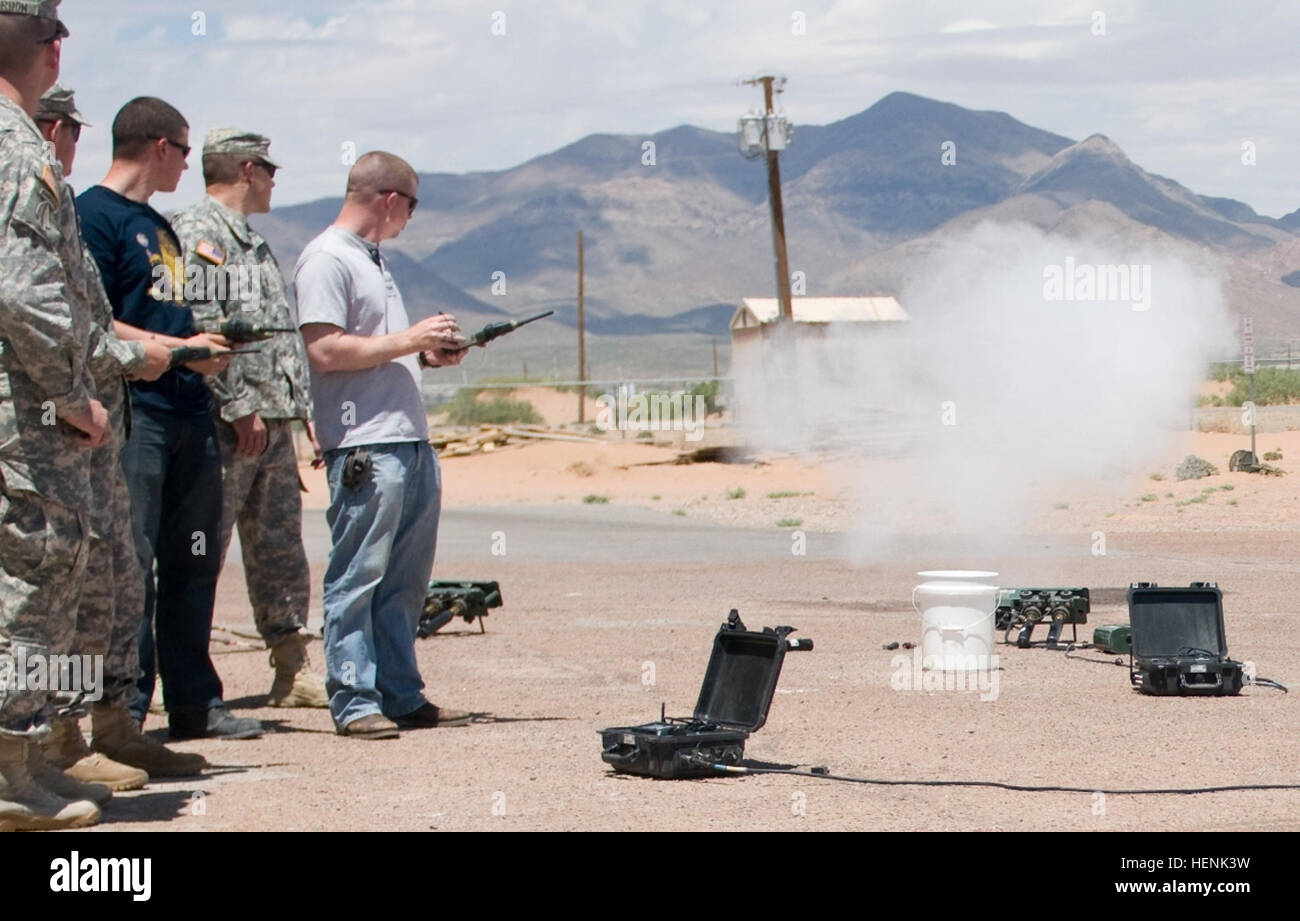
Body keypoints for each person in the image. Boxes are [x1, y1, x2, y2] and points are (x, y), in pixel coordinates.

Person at [33, 83, 207, 786]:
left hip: (113, 413)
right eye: (67, 127)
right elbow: (62, 323)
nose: (74, 141)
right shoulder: (81, 211)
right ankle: (55, 744)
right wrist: (155, 354)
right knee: (61, 586)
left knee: (118, 577)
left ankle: (113, 727)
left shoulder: (133, 221)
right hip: (68, 422)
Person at [77, 97, 263, 741]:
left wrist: (204, 341)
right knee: (132, 565)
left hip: (189, 410)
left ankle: (194, 704)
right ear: (159, 145)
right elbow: (93, 321)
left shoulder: (160, 227)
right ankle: (124, 712)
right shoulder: (91, 217)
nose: (189, 164)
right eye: (185, 151)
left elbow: (167, 315)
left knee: (194, 560)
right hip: (137, 413)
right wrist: (182, 352)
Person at [296, 151, 470, 739]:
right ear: (391, 200)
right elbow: (323, 350)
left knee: (404, 580)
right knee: (358, 576)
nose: (410, 219)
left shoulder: (373, 260)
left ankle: (399, 692)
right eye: (411, 206)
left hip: (408, 439)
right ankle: (353, 698)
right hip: (366, 445)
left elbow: (372, 348)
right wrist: (409, 337)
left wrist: (424, 352)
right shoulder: (326, 258)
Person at [0, 0, 110, 831]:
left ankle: (30, 758)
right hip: (25, 413)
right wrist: (71, 397)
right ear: (53, 51)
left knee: (39, 579)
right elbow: (25, 291)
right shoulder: (15, 146)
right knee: (29, 579)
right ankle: (9, 772)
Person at [171, 128, 327, 708]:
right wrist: (239, 406)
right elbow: (202, 328)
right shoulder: (199, 233)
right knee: (198, 550)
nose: (274, 178)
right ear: (243, 169)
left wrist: (297, 410)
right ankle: (177, 677)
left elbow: (275, 339)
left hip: (272, 420)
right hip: (225, 424)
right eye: (267, 167)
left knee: (280, 546)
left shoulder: (253, 243)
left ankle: (291, 667)